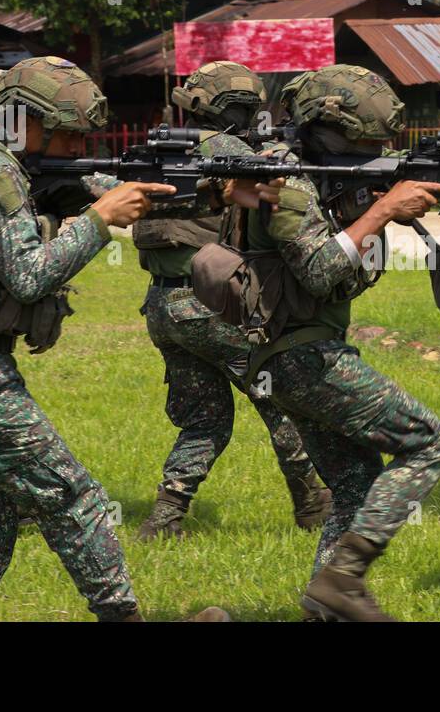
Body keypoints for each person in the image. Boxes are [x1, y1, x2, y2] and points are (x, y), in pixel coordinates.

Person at [0, 56, 271, 619]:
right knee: (79, 502)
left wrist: (214, 194)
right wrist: (97, 221)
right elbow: (30, 274)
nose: (75, 147)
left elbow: (118, 189)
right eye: (68, 134)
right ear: (30, 119)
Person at [214, 64, 440, 621]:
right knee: (429, 442)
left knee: (356, 483)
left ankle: (327, 610)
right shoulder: (287, 178)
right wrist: (383, 211)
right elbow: (321, 271)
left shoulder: (313, 174)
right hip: (301, 356)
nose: (377, 149)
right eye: (369, 141)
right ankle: (344, 578)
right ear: (333, 128)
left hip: (293, 353)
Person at [136, 61, 330, 539]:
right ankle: (315, 507)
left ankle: (165, 518)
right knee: (282, 398)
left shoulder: (165, 150)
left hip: (163, 307)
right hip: (213, 305)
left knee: (205, 422)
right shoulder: (227, 151)